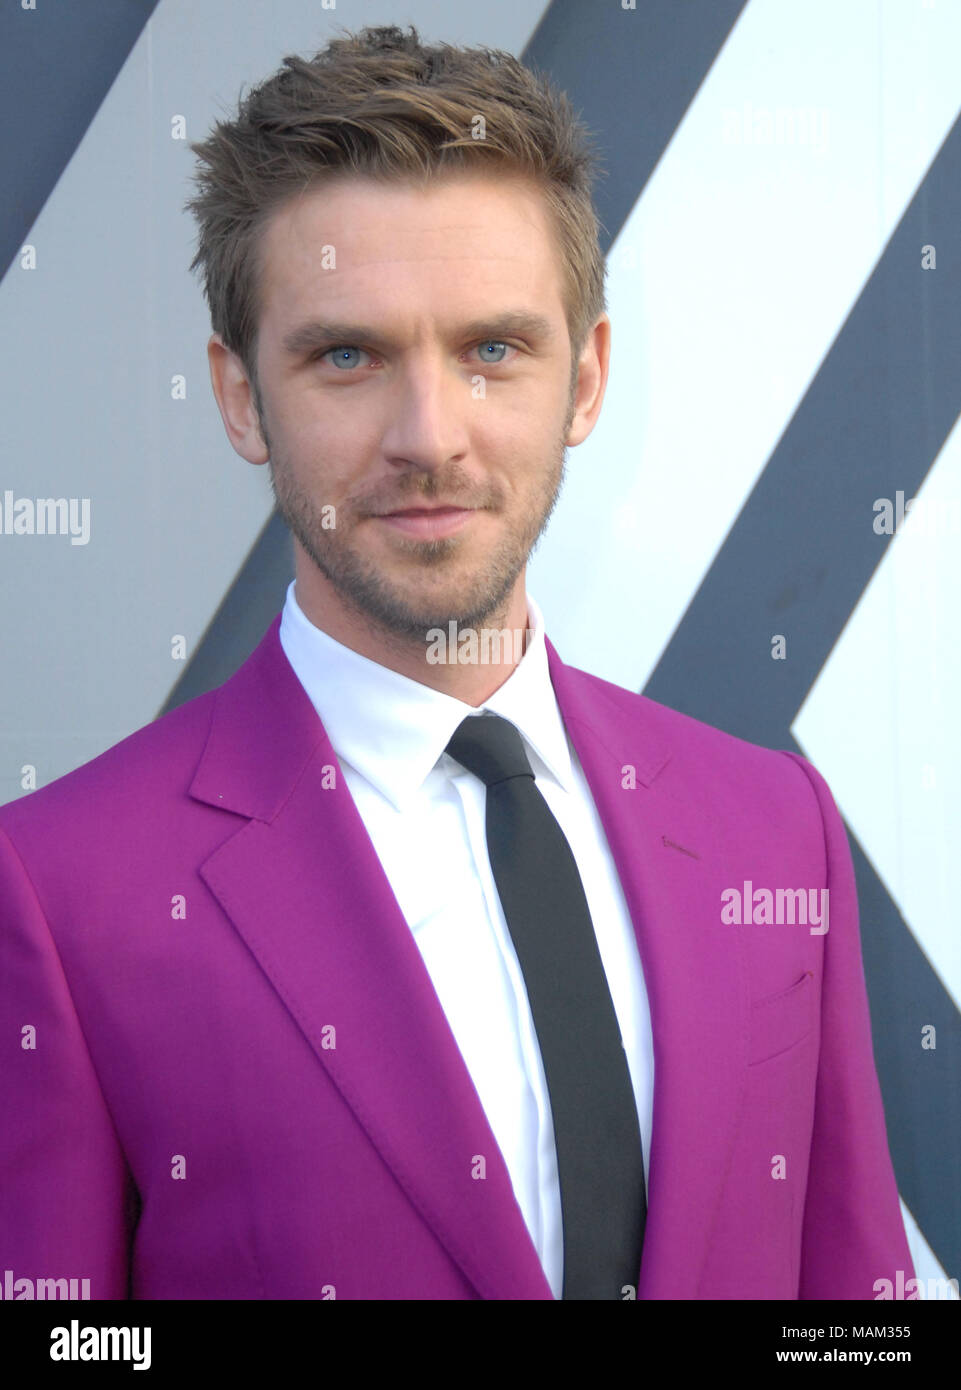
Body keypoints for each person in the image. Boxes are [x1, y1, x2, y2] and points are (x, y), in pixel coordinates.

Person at [0, 24, 912, 1301]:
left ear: (585, 377)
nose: (429, 437)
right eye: (348, 355)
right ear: (240, 397)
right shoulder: (59, 889)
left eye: (492, 348)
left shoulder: (775, 832)